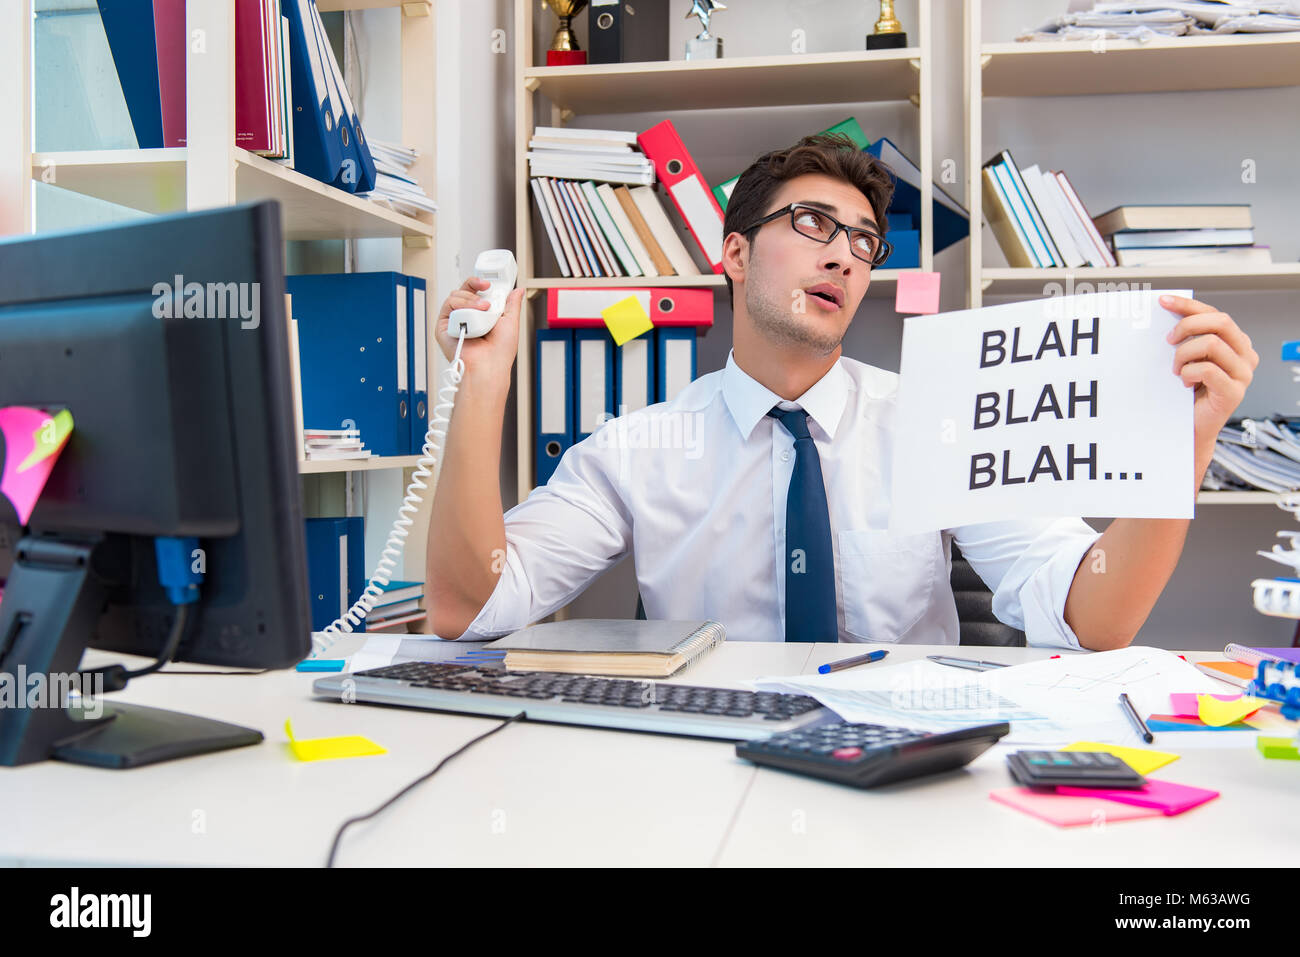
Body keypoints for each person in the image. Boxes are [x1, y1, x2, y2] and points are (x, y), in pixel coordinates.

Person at [424, 133, 1258, 650]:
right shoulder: (642, 445)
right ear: (737, 254)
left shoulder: (937, 418)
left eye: (864, 241)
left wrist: (1180, 446)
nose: (847, 257)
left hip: (902, 765)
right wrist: (482, 383)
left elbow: (1092, 614)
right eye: (814, 226)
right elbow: (469, 606)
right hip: (702, 768)